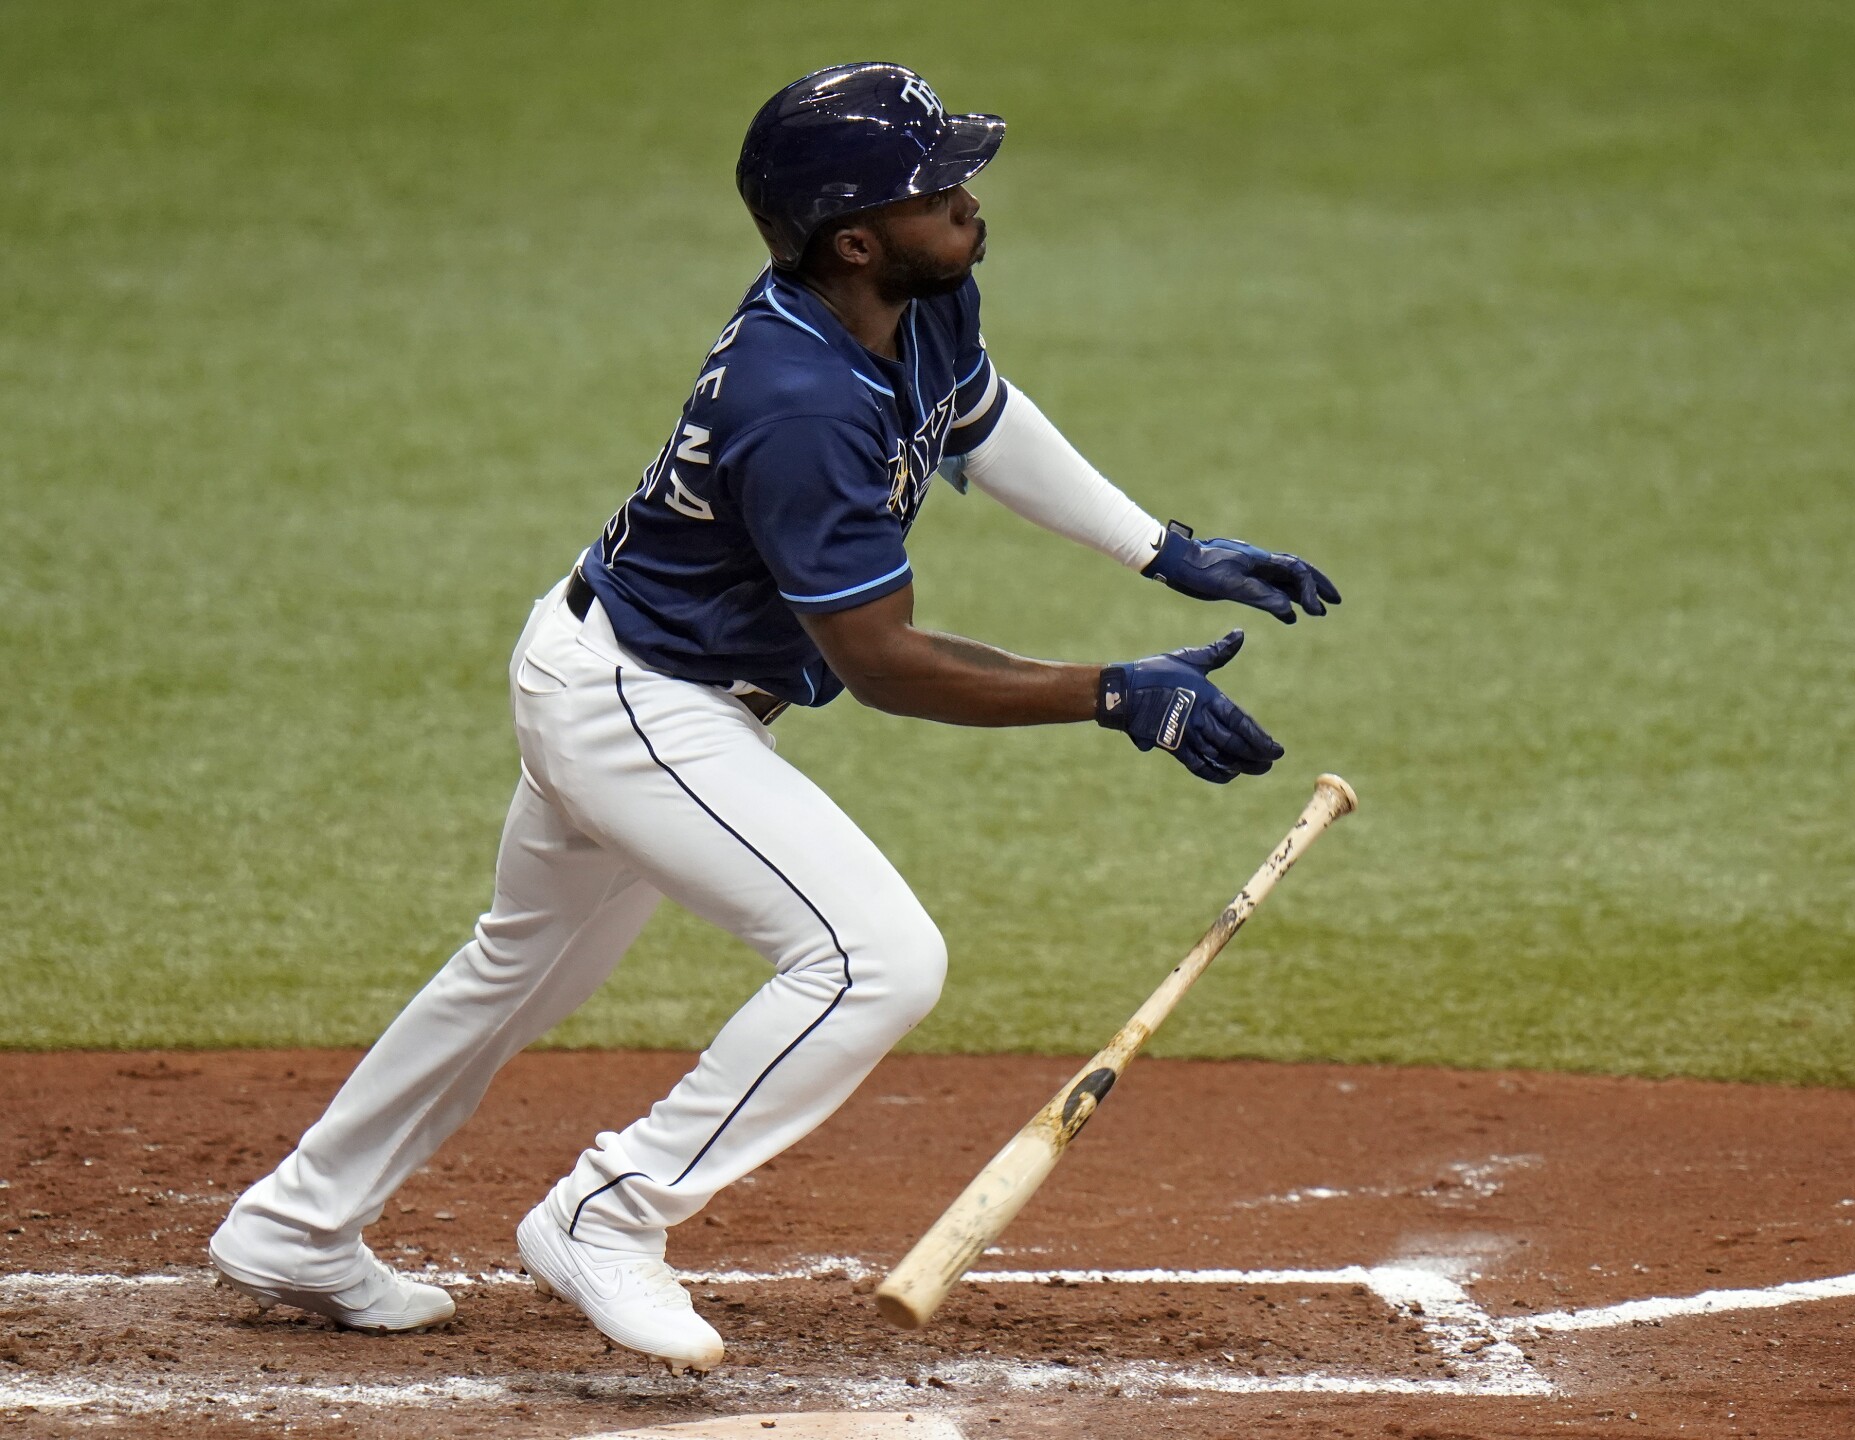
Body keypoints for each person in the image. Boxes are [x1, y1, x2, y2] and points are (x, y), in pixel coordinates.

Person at [209, 62, 1338, 1374]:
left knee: (516, 971)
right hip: (638, 707)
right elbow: (881, 660)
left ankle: (300, 1225)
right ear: (856, 238)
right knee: (875, 960)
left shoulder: (913, 301)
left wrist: (1162, 549)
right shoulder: (795, 404)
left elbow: (976, 414)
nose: (971, 203)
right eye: (939, 189)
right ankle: (607, 1211)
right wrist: (1113, 693)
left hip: (614, 670)